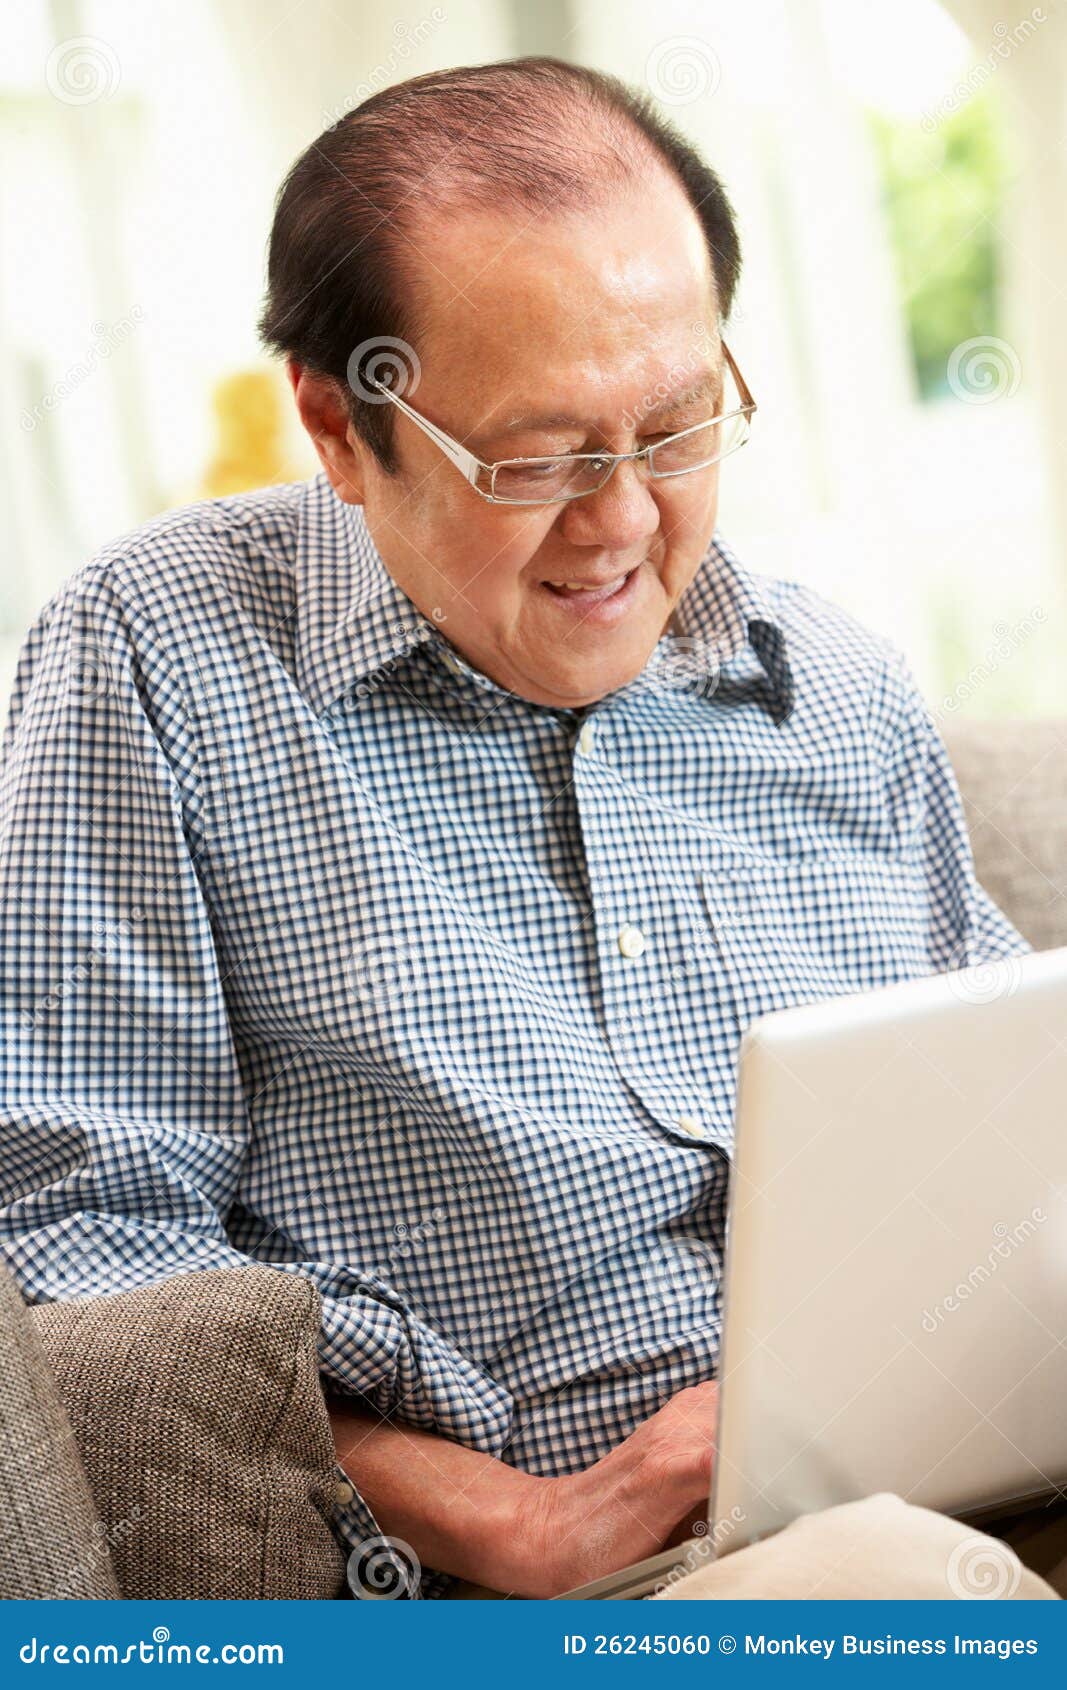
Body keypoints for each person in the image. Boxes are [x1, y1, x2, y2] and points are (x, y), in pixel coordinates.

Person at [0, 58, 1042, 1600]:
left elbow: (1024, 1123)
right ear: (341, 428)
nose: (623, 520)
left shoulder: (834, 689)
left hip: (985, 1463)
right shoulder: (158, 659)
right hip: (607, 1585)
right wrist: (500, 1517)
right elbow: (79, 1233)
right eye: (540, 457)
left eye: (681, 426)